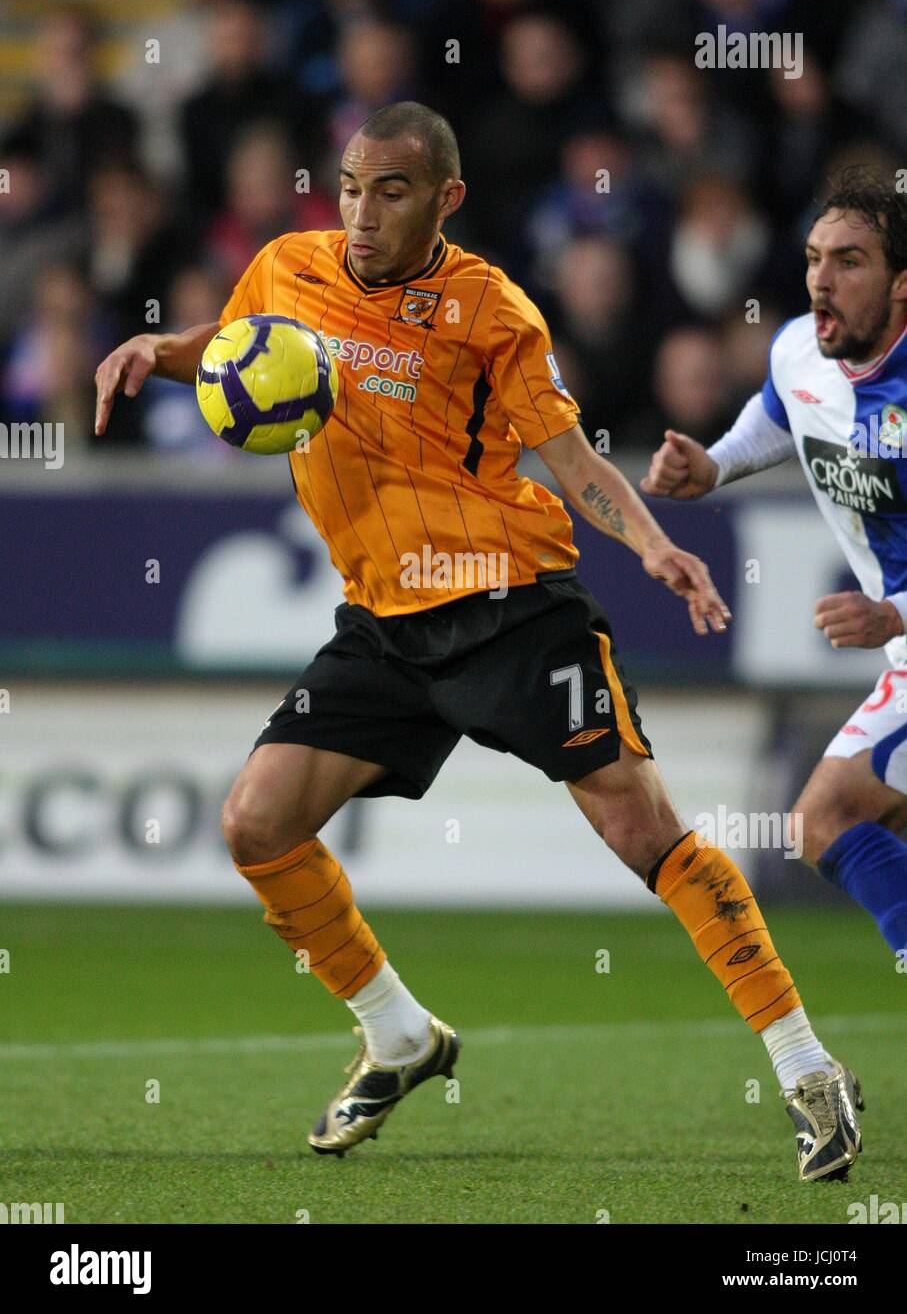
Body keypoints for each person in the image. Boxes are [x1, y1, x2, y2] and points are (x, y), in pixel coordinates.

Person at [95, 102, 861, 1181]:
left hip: (509, 603)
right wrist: (153, 350)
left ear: (445, 198)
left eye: (392, 190)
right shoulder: (286, 266)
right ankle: (399, 1033)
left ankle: (804, 1066)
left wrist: (651, 544)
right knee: (256, 824)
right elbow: (235, 359)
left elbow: (570, 459)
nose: (362, 212)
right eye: (353, 186)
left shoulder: (489, 308)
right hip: (381, 622)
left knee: (643, 832)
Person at [642, 166, 907, 972]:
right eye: (812, 257)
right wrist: (712, 469)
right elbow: (776, 413)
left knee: (824, 815)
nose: (821, 279)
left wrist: (896, 615)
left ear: (901, 284)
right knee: (851, 823)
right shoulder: (797, 347)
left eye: (850, 261)